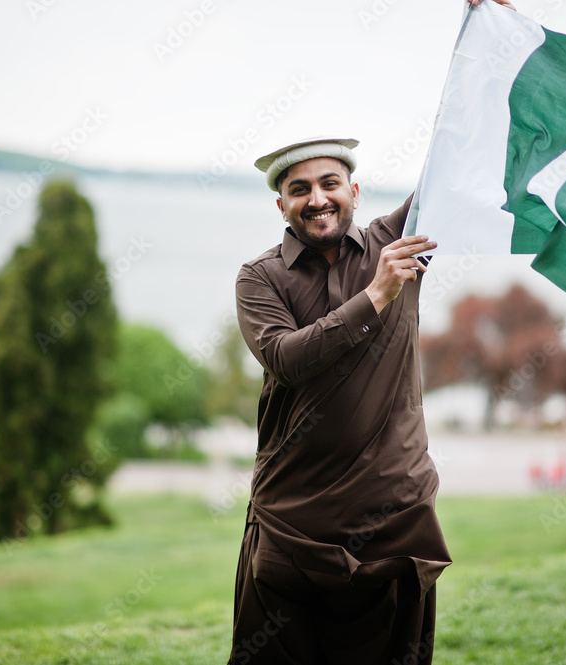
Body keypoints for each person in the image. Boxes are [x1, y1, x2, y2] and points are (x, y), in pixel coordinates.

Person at [229, 3, 515, 663]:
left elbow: (457, 144)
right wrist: (377, 293)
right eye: (300, 189)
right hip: (292, 529)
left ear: (354, 190)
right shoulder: (259, 278)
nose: (317, 197)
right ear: (282, 204)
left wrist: (485, 41)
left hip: (395, 521)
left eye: (330, 183)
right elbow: (287, 357)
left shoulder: (400, 240)